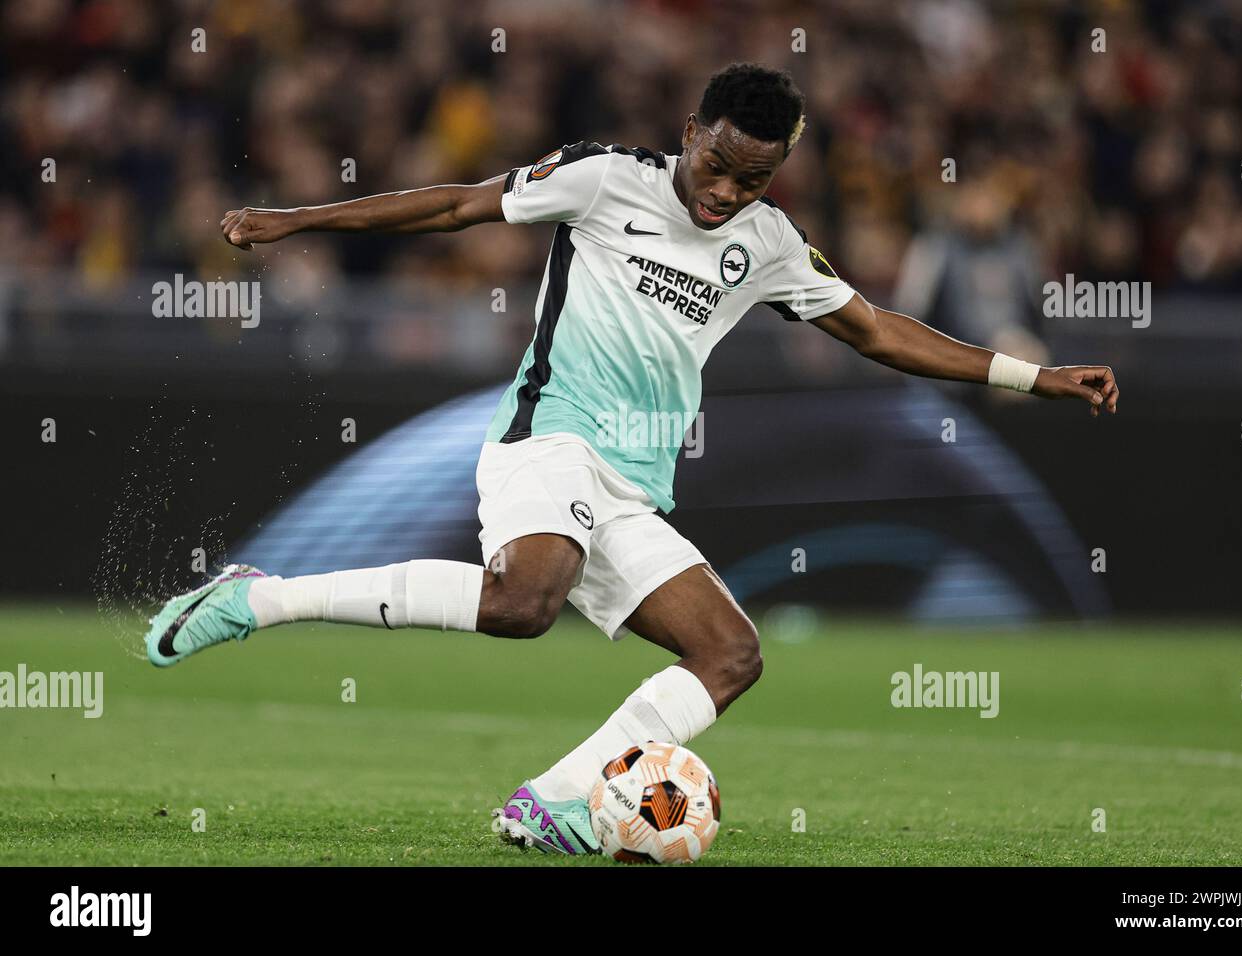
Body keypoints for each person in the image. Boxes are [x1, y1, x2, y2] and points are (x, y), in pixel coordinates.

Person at [145, 63, 1118, 855]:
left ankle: (555, 801)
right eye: (720, 167)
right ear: (692, 131)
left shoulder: (769, 243)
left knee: (732, 653)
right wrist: (295, 220)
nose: (727, 193)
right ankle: (258, 598)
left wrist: (1032, 376)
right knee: (524, 602)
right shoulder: (603, 175)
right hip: (548, 434)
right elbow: (456, 209)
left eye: (753, 180)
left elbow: (879, 331)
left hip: (631, 484)